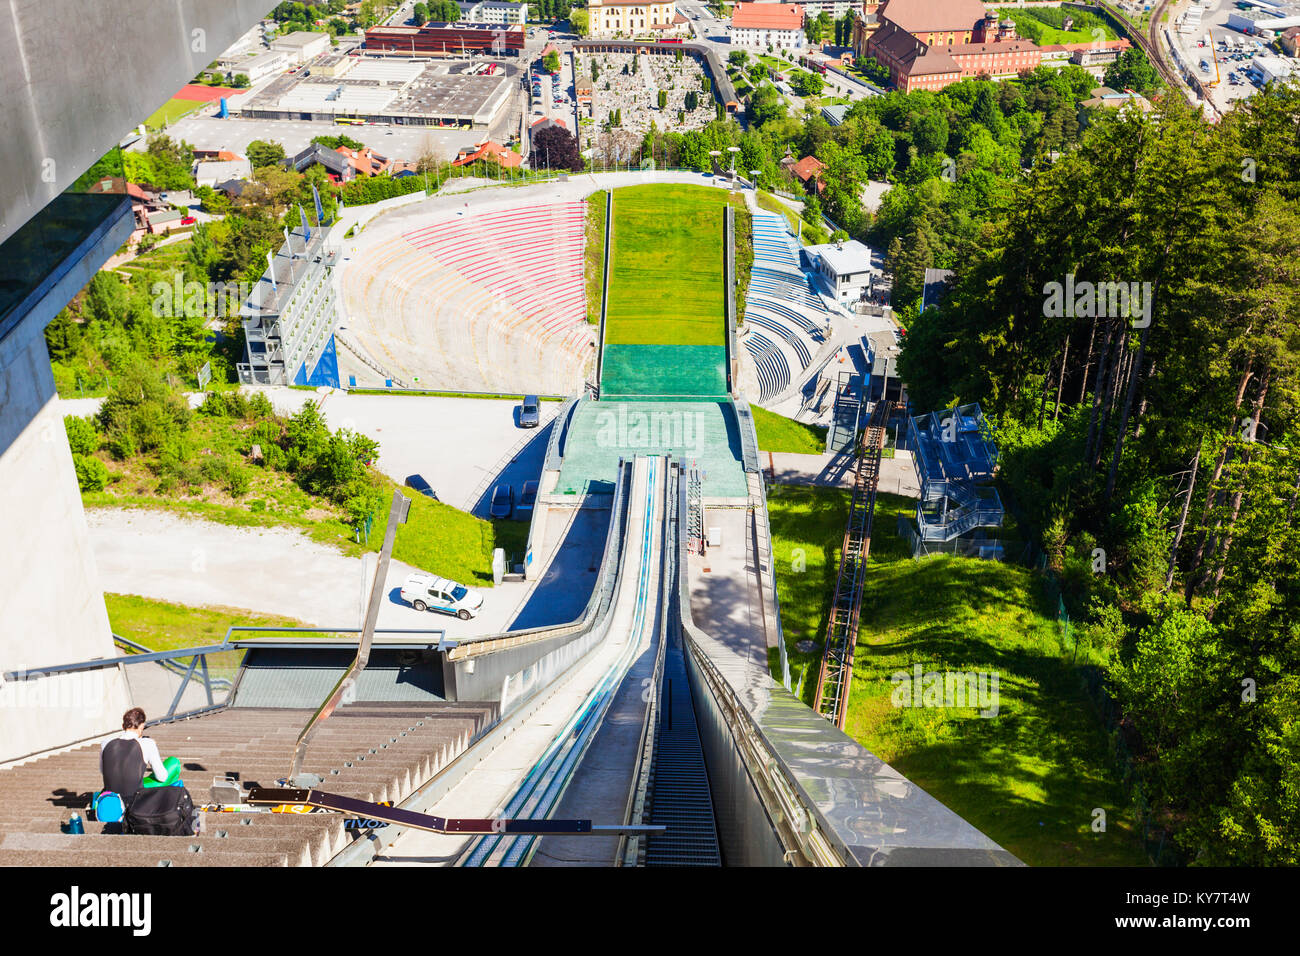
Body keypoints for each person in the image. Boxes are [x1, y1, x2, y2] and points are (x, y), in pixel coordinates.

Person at [99, 707, 177, 799]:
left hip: (111, 798)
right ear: (142, 726)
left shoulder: (105, 743)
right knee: (174, 763)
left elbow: (103, 771)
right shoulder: (148, 743)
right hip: (134, 801)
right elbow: (162, 777)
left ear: (123, 726)